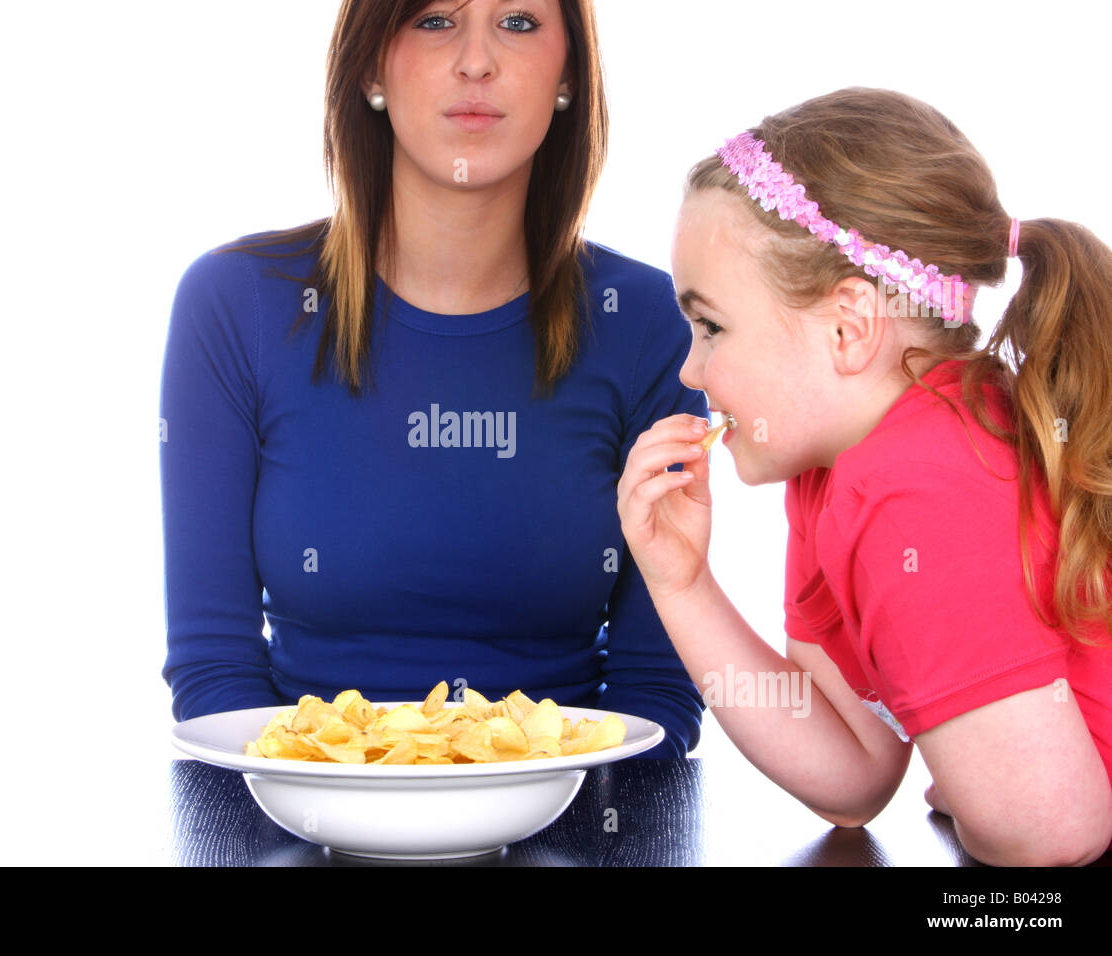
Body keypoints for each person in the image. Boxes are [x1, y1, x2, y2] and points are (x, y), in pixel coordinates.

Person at [159, 0, 706, 758]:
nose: (476, 60)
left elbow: (656, 691)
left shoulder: (649, 321)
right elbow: (213, 671)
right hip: (305, 811)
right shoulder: (233, 303)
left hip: (571, 816)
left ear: (570, 76)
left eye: (518, 23)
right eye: (434, 19)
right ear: (370, 67)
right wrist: (338, 799)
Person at [619, 87, 1112, 863]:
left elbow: (1049, 835)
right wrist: (681, 582)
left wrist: (987, 792)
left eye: (711, 325)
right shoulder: (835, 473)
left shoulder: (914, 488)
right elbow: (852, 771)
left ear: (849, 327)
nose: (691, 367)